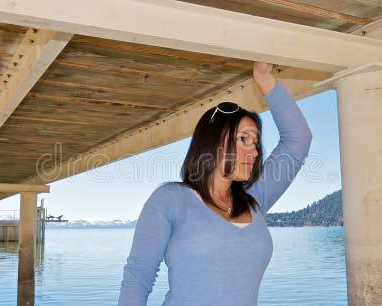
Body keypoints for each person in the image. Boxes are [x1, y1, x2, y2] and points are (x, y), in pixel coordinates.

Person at [118, 62, 312, 305]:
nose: (253, 151)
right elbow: (138, 278)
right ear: (213, 142)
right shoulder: (171, 199)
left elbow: (297, 142)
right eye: (243, 139)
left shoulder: (255, 200)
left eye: (255, 142)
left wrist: (263, 77)